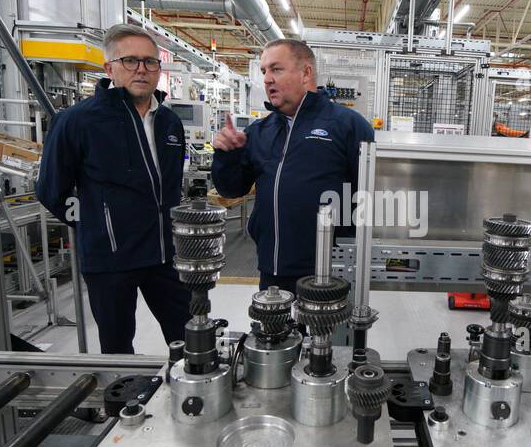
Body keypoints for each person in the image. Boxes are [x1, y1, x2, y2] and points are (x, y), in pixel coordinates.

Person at [37, 23, 191, 353]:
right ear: (110, 68)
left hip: (165, 255)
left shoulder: (169, 122)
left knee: (189, 338)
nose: (141, 69)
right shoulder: (79, 121)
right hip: (110, 261)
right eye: (130, 61)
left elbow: (172, 186)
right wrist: (96, 224)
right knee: (118, 347)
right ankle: (123, 405)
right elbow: (51, 189)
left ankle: (189, 398)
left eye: (150, 62)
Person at [211, 38, 375, 294]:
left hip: (329, 270)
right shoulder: (259, 131)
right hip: (272, 267)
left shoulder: (347, 125)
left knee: (328, 335)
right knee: (274, 334)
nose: (267, 79)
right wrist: (226, 155)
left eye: (276, 69)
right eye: (264, 71)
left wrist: (352, 251)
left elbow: (369, 197)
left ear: (306, 72)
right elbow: (231, 189)